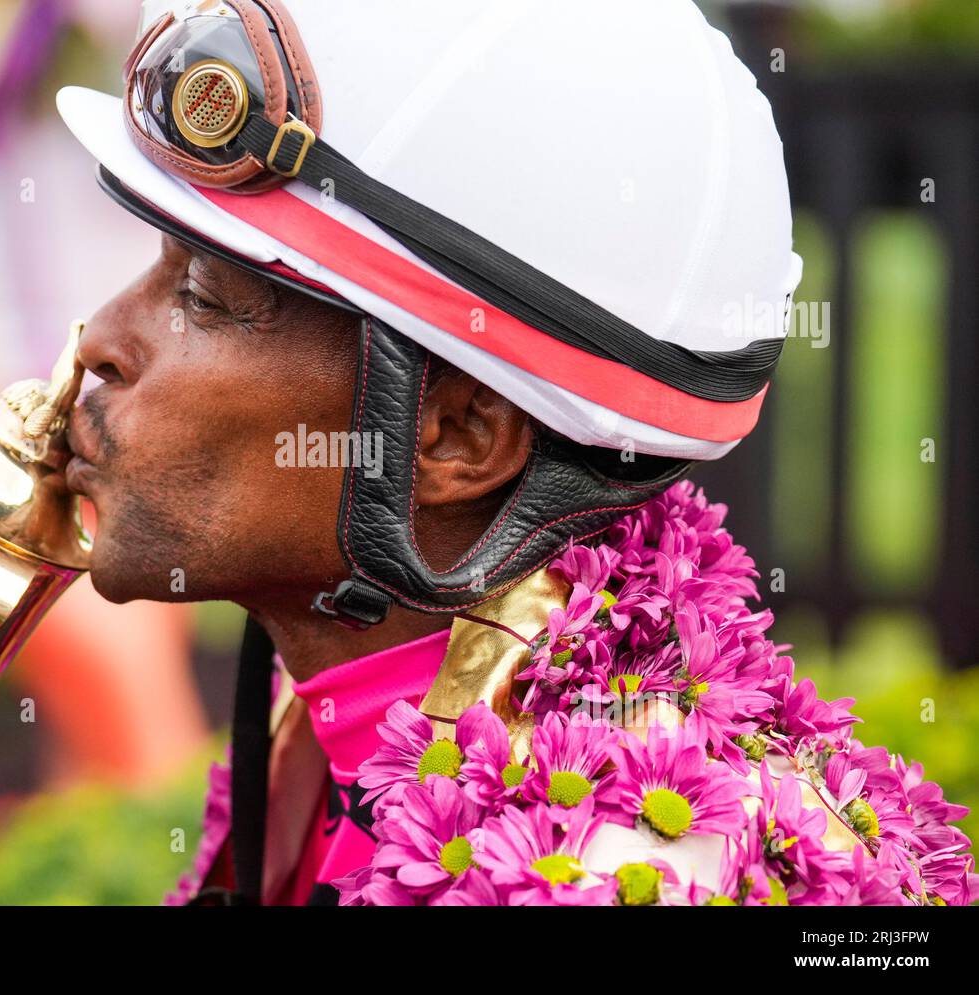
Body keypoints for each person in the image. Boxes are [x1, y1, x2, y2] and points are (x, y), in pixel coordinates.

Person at [54, 0, 975, 905]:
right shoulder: (348, 731)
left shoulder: (624, 872)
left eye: (206, 296)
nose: (100, 336)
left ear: (458, 434)